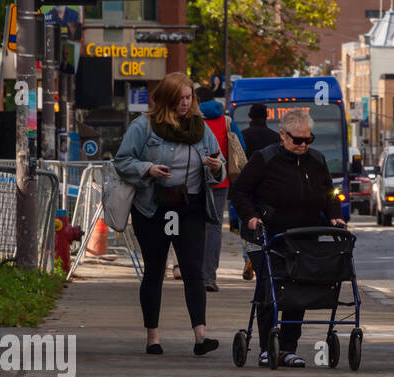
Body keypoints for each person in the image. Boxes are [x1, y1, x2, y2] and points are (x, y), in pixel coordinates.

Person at [113, 72, 226, 356]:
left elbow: (219, 164)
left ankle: (201, 337)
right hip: (154, 207)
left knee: (193, 270)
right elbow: (122, 160)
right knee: (155, 269)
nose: (184, 104)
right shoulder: (145, 127)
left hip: (190, 207)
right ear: (167, 100)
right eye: (179, 99)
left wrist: (215, 167)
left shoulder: (200, 128)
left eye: (188, 98)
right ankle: (153, 337)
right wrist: (147, 169)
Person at [231, 109, 345, 367]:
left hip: (301, 236)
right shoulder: (264, 159)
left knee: (299, 285)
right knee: (267, 285)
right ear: (283, 135)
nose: (303, 145)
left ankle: (288, 347)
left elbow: (330, 194)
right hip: (259, 236)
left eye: (308, 140)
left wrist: (335, 216)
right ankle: (265, 346)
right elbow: (239, 193)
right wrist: (250, 216)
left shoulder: (316, 160)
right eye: (298, 140)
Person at [197, 87, 241, 292]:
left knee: (193, 226)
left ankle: (191, 272)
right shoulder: (227, 121)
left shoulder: (193, 120)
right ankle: (209, 276)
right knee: (214, 228)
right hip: (220, 181)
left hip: (193, 180)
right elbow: (240, 149)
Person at [239, 103, 281, 280]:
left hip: (249, 187)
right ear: (267, 117)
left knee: (249, 224)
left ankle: (249, 255)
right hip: (270, 188)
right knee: (267, 224)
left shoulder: (243, 135)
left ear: (250, 117)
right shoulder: (275, 137)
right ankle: (266, 256)